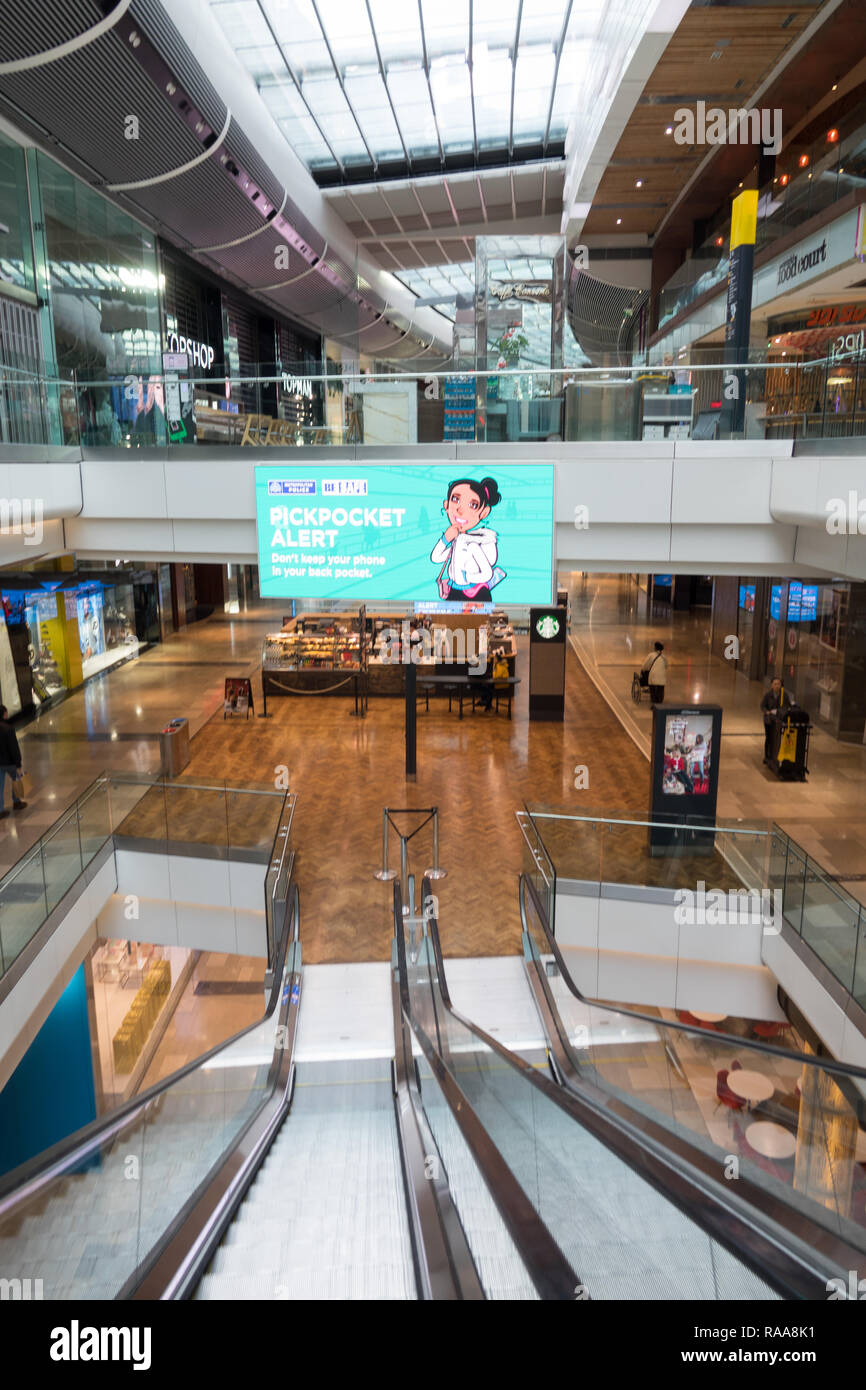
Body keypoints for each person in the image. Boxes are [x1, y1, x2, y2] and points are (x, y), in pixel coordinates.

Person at [0, 706, 26, 817]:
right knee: (16, 779)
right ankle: (16, 802)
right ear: (4, 714)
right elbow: (14, 748)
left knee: (0, 786)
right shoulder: (8, 729)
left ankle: (0, 810)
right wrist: (18, 763)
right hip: (10, 763)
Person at [761, 677, 793, 763]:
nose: (777, 686)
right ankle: (767, 756)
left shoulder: (784, 695)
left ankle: (775, 755)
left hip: (779, 719)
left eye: (778, 684)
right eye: (775, 684)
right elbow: (762, 706)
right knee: (769, 738)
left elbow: (788, 706)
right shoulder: (768, 695)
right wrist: (766, 711)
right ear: (771, 685)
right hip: (769, 719)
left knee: (777, 738)